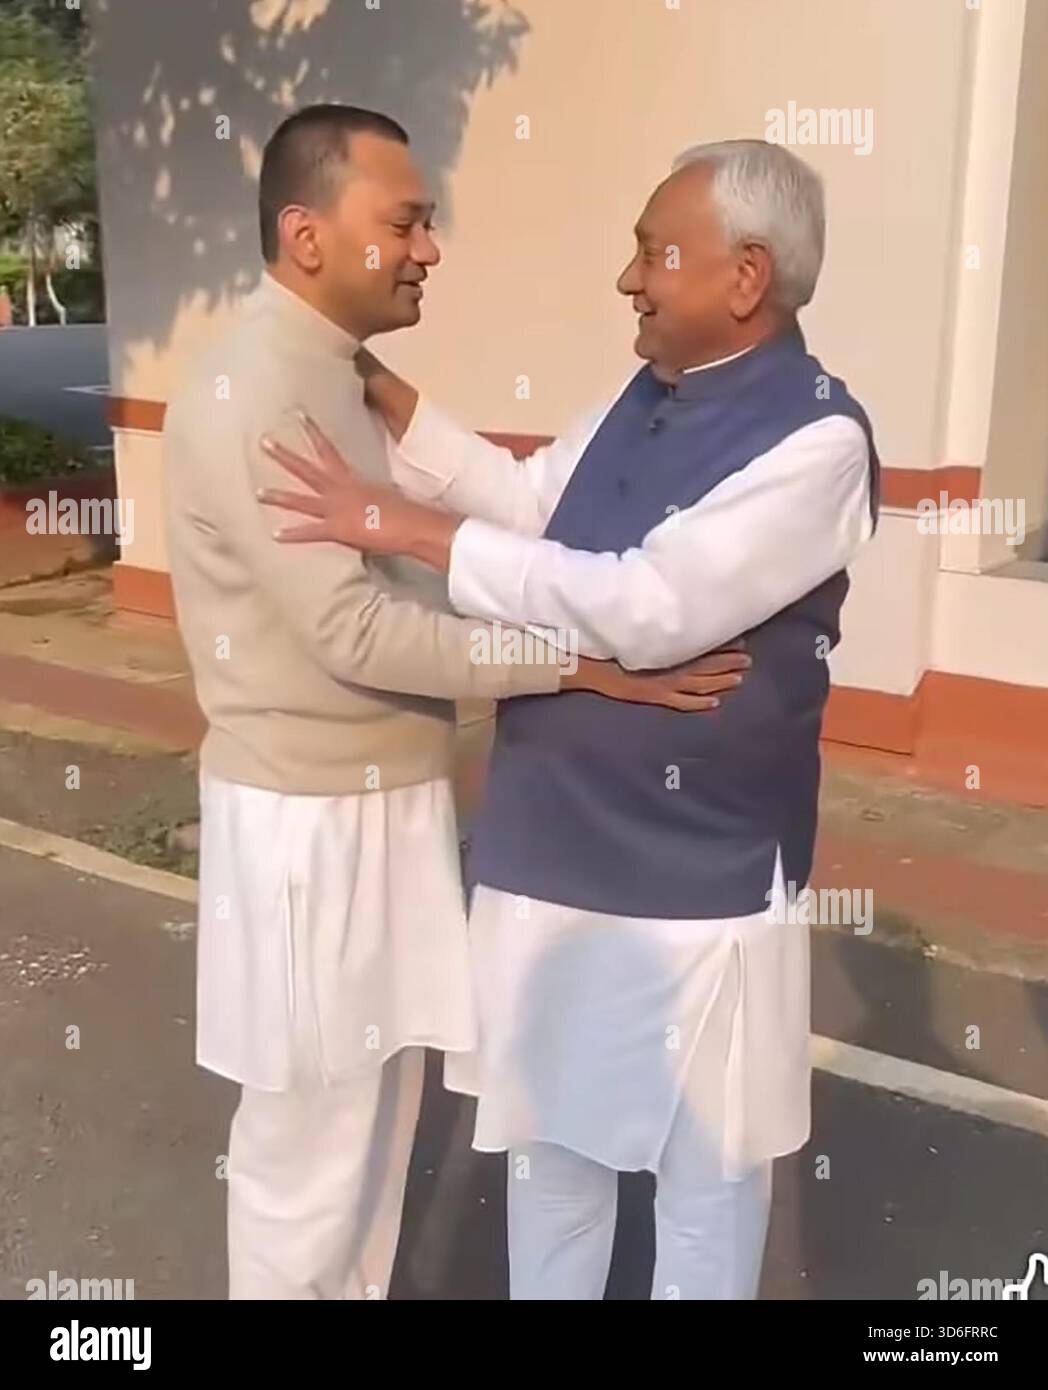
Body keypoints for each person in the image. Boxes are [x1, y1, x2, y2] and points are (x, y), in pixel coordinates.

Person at [260, 139, 879, 1300]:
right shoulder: (648, 392)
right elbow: (529, 501)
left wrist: (406, 529)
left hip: (700, 890)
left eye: (654, 254)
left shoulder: (818, 442)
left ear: (745, 276)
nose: (628, 280)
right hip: (549, 858)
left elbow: (650, 608)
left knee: (707, 1185)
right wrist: (383, 392)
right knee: (551, 1169)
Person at [162, 105, 747, 1301]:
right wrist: (576, 662)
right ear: (307, 235)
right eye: (406, 223)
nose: (429, 249)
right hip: (309, 825)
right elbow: (356, 629)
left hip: (384, 805)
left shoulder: (335, 378)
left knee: (378, 1135)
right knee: (310, 1155)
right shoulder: (254, 393)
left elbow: (461, 538)